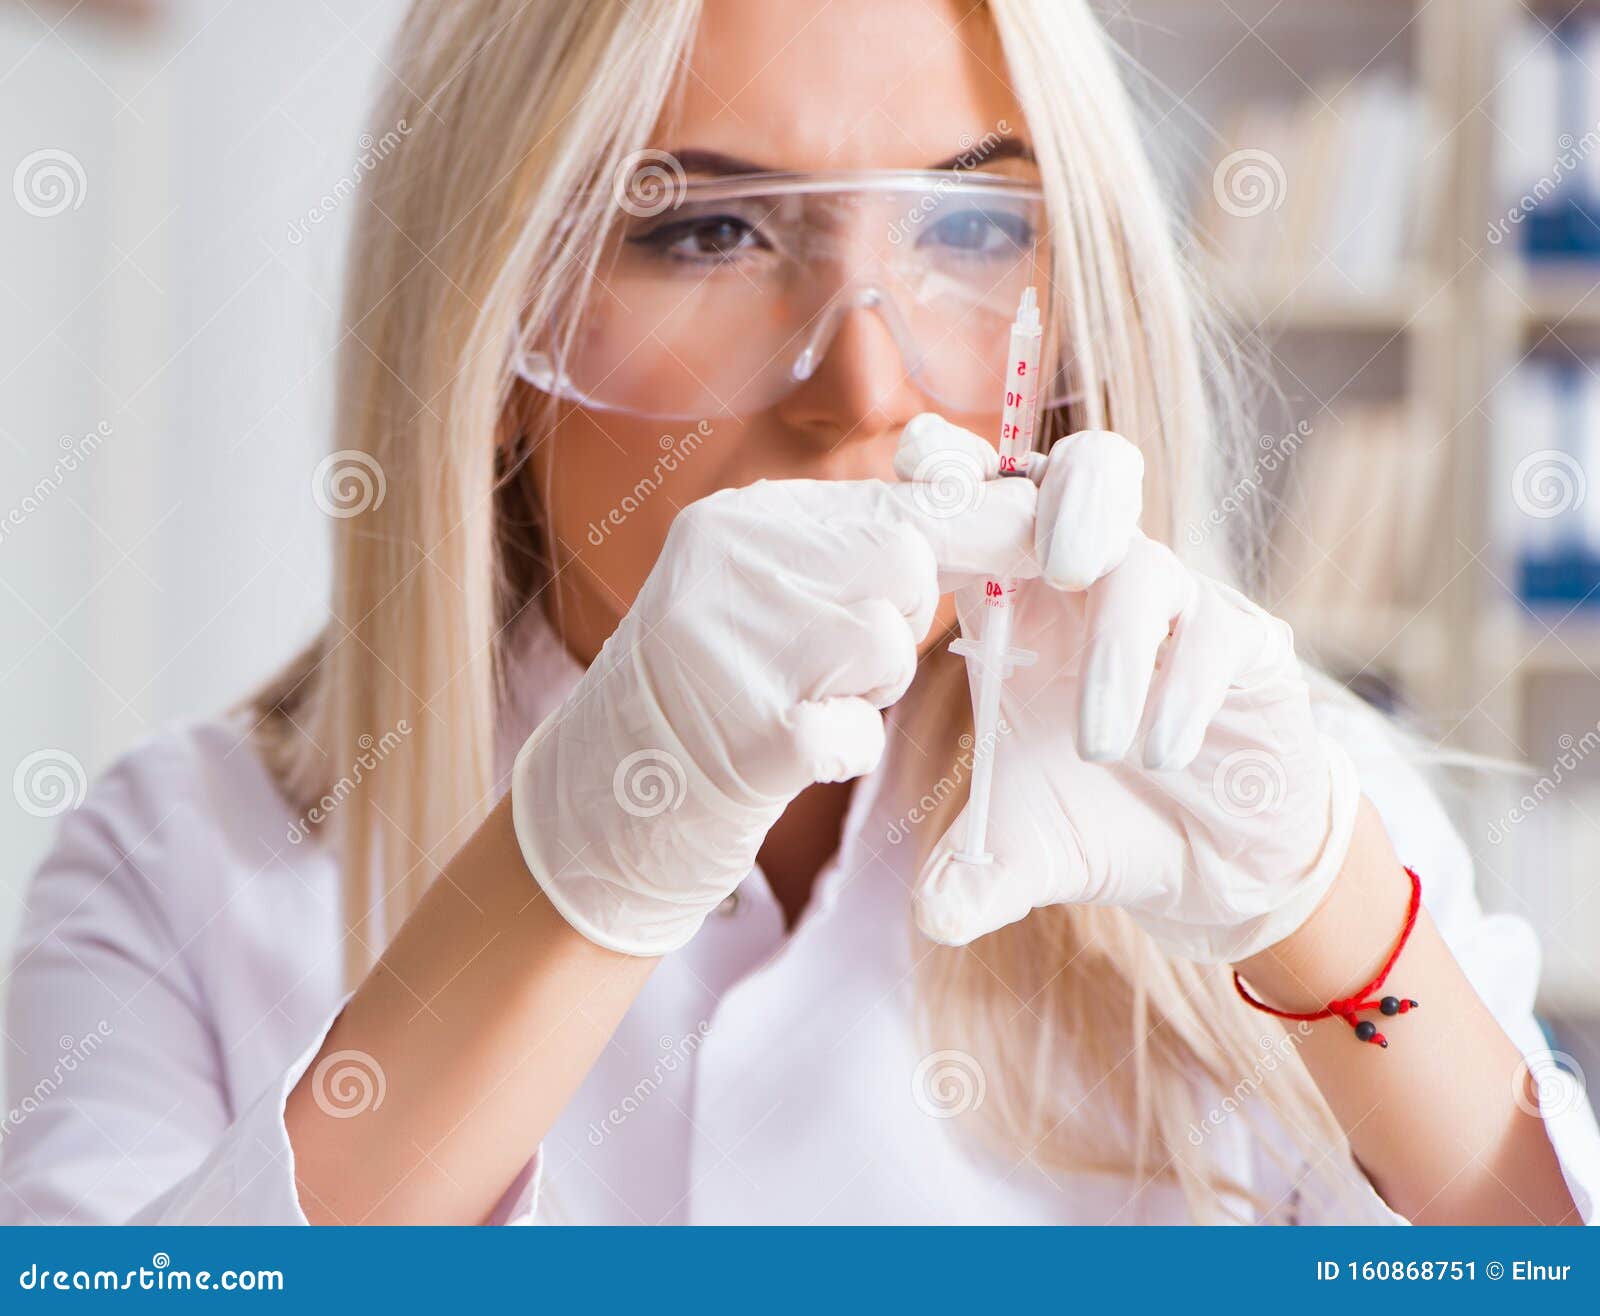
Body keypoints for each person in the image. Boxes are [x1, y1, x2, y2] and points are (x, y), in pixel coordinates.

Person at [4, 0, 1597, 1227]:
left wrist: (1327, 924)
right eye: (708, 230)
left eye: (971, 227)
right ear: (489, 337)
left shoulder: (1274, 799)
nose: (870, 383)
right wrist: (563, 887)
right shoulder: (179, 864)